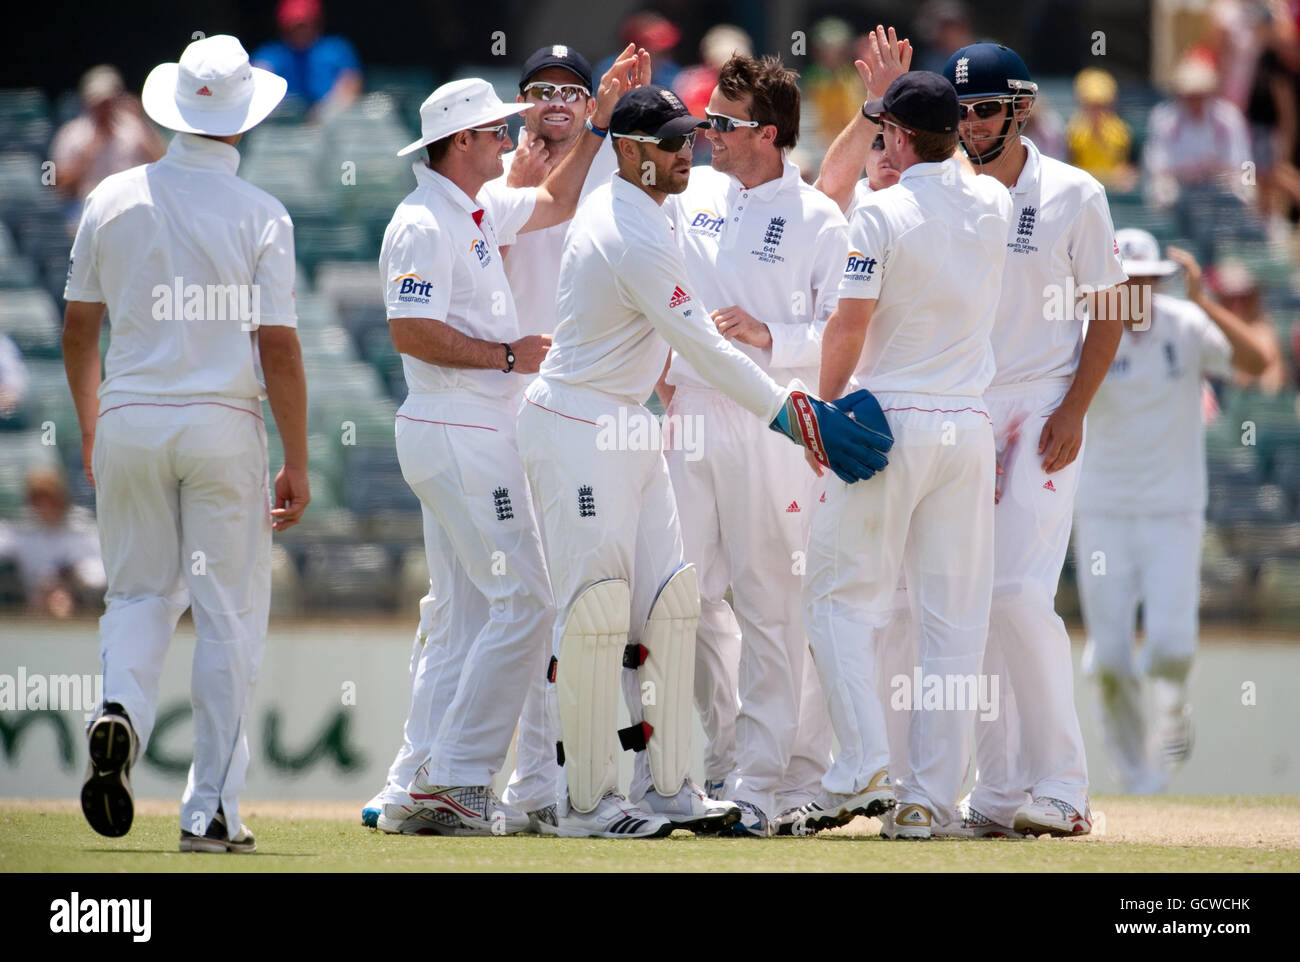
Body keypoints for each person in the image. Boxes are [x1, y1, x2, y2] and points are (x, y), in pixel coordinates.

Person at [516, 84, 892, 838]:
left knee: (670, 603)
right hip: (578, 421)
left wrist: (867, 110)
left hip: (629, 422)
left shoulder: (658, 204)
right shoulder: (628, 229)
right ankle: (583, 802)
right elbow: (707, 350)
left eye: (692, 137)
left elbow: (812, 187)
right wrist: (798, 415)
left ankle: (669, 785)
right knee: (595, 612)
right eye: (671, 142)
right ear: (628, 152)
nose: (688, 152)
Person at [372, 47, 648, 837]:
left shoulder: (472, 209)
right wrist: (504, 355)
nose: (510, 142)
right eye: (497, 131)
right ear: (463, 142)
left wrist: (595, 120)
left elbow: (556, 200)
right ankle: (456, 779)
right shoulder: (423, 220)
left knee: (472, 613)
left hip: (471, 426)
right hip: (460, 425)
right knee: (527, 598)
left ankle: (423, 783)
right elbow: (407, 326)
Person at [63, 35, 309, 852]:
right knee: (227, 616)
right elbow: (278, 345)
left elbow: (77, 327)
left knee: (137, 597)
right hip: (221, 424)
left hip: (130, 415)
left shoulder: (112, 197)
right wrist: (299, 458)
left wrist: (94, 425)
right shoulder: (262, 214)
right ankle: (210, 811)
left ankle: (121, 715)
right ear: (239, 121)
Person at [777, 72, 1012, 840]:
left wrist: (823, 415)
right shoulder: (995, 202)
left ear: (901, 140)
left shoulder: (880, 215)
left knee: (837, 599)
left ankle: (864, 764)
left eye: (886, 132)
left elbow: (847, 326)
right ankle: (929, 803)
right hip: (966, 426)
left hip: (890, 421)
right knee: (952, 622)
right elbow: (957, 173)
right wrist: (910, 121)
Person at [651, 54, 848, 836]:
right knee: (682, 595)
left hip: (773, 417)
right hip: (692, 410)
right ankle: (725, 758)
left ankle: (766, 785)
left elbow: (846, 333)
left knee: (772, 604)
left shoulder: (820, 221)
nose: (706, 135)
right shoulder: (694, 192)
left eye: (724, 125)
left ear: (768, 134)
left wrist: (776, 336)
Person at [938, 41, 1127, 837]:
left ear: (1020, 109)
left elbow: (1112, 312)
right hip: (964, 406)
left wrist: (1075, 408)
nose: (970, 125)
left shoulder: (1075, 193)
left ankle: (1065, 785)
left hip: (1045, 398)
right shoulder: (942, 189)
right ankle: (999, 790)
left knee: (1018, 591)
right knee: (973, 604)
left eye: (984, 110)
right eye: (958, 113)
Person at [1074, 230, 1275, 793]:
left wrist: (1206, 302)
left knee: (1171, 649)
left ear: (1161, 280)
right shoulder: (1085, 330)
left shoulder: (1185, 326)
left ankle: (1173, 709)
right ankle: (1140, 781)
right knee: (1110, 660)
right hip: (1103, 511)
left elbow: (1259, 361)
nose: (1139, 292)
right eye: (1129, 281)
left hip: (1174, 511)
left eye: (1149, 280)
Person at [50, 65, 164, 205]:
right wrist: (91, 150)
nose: (105, 107)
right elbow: (57, 185)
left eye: (109, 101)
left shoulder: (135, 127)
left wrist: (142, 123)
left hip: (132, 205)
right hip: (86, 207)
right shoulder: (71, 134)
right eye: (100, 102)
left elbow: (162, 164)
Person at [0, 466, 105, 617]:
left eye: (50, 500)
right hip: (34, 607)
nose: (45, 507)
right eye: (38, 501)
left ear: (61, 499)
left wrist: (70, 576)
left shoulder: (84, 531)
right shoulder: (22, 533)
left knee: (60, 599)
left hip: (78, 605)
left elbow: (99, 574)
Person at [252, 0, 361, 114]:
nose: (299, 31)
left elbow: (351, 84)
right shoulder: (271, 54)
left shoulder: (336, 49)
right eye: (292, 25)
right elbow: (257, 80)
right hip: (284, 122)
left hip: (330, 121)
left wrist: (323, 112)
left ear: (316, 23)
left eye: (303, 25)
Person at [1065, 68, 1136, 191]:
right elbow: (1069, 168)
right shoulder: (1073, 131)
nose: (1097, 111)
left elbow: (1125, 171)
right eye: (1091, 105)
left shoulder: (1121, 132)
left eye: (1101, 105)